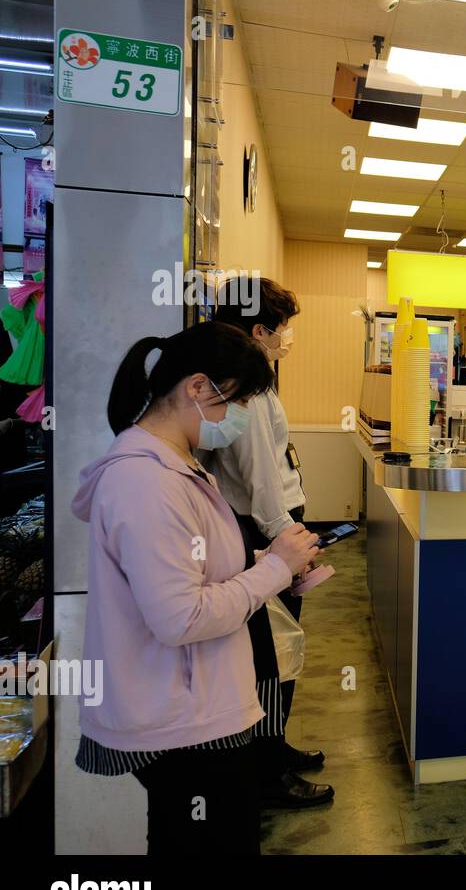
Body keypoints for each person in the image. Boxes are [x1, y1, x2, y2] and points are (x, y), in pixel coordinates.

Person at [71, 323, 320, 854]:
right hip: (183, 723)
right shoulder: (145, 481)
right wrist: (274, 569)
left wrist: (270, 560)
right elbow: (180, 617)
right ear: (199, 387)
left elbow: (192, 565)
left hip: (202, 708)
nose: (245, 416)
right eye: (242, 400)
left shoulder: (177, 463)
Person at [205, 276, 334, 809]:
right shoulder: (249, 387)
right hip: (264, 528)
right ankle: (266, 771)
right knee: (271, 655)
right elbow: (260, 475)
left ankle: (274, 749)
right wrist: (289, 540)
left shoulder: (241, 378)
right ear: (259, 330)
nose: (287, 340)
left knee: (277, 648)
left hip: (265, 524)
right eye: (283, 330)